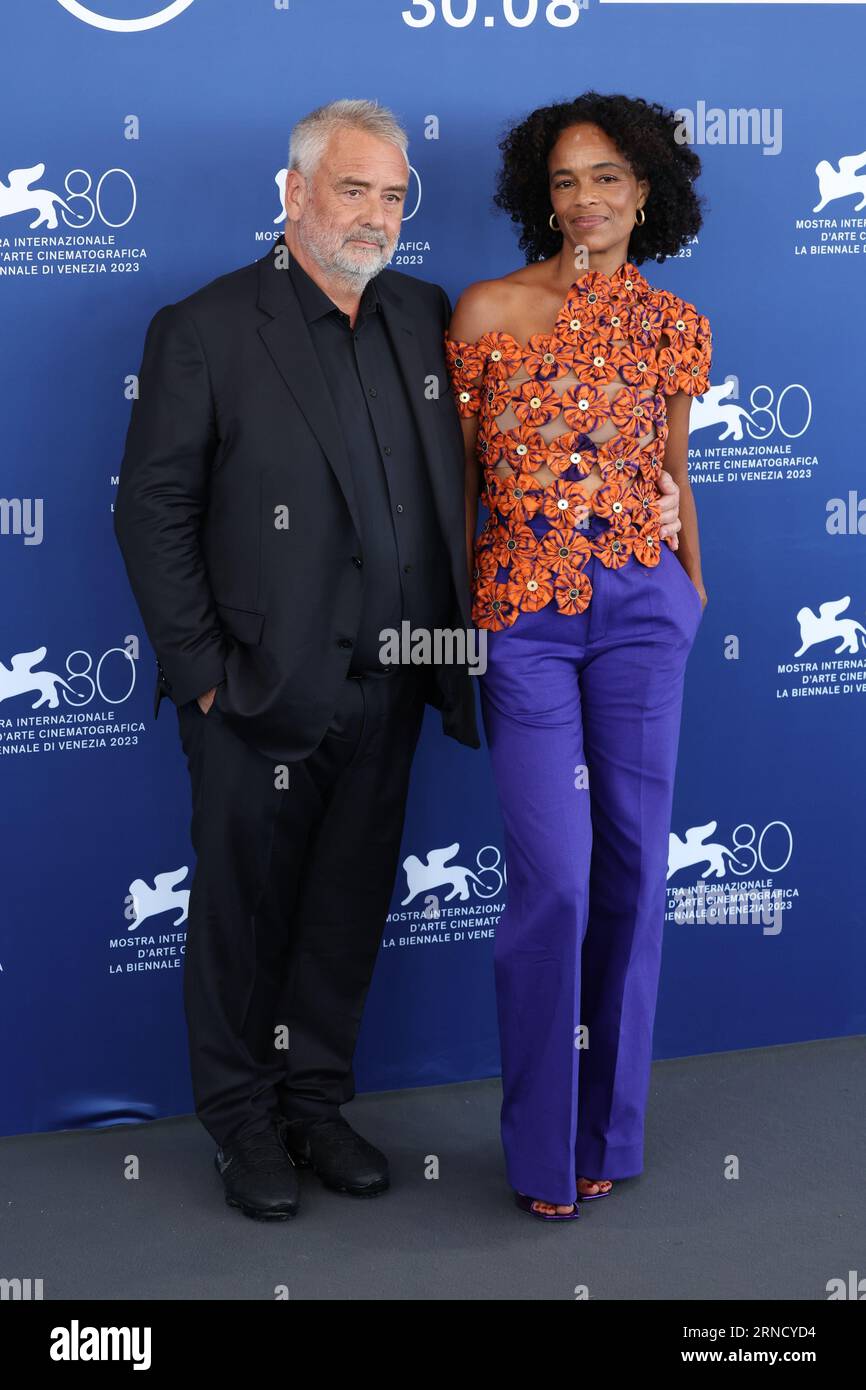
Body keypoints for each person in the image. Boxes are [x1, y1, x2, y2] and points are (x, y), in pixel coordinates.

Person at [112, 99, 487, 1221]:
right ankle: (239, 1124)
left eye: (391, 194)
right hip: (257, 694)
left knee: (344, 906)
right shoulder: (207, 327)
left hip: (396, 681)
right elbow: (153, 511)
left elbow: (486, 466)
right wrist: (206, 674)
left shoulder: (421, 313)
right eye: (351, 189)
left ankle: (315, 1102)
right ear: (294, 195)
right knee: (241, 917)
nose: (374, 214)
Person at [444, 92, 711, 1220]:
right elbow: (457, 491)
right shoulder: (486, 312)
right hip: (523, 622)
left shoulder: (674, 323)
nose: (584, 199)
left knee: (632, 873)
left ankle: (606, 1127)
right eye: (563, 180)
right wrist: (460, 629)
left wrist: (694, 586)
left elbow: (673, 472)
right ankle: (540, 1148)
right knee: (552, 880)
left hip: (642, 615)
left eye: (606, 177)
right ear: (535, 194)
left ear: (645, 191)